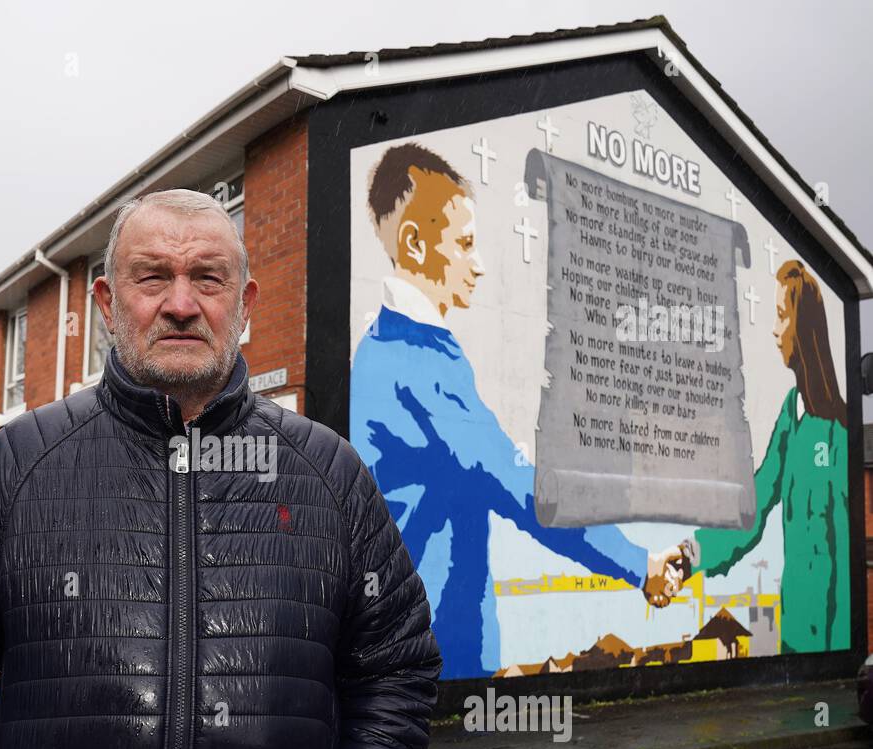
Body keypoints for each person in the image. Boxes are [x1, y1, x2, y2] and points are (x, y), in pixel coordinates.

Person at [0, 188, 441, 749]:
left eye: (208, 278)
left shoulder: (329, 474)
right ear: (108, 302)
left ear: (245, 302)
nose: (181, 304)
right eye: (153, 277)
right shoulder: (18, 463)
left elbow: (396, 665)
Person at [350, 142, 684, 679]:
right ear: (413, 243)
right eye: (464, 244)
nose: (479, 266)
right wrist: (640, 565)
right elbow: (520, 489)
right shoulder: (418, 363)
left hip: (407, 648)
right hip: (435, 656)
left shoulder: (383, 350)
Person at [671, 260, 849, 654]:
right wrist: (689, 556)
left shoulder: (840, 429)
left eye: (782, 316)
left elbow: (844, 553)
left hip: (831, 642)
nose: (774, 329)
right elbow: (756, 503)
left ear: (803, 327)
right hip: (795, 638)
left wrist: (841, 659)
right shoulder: (791, 412)